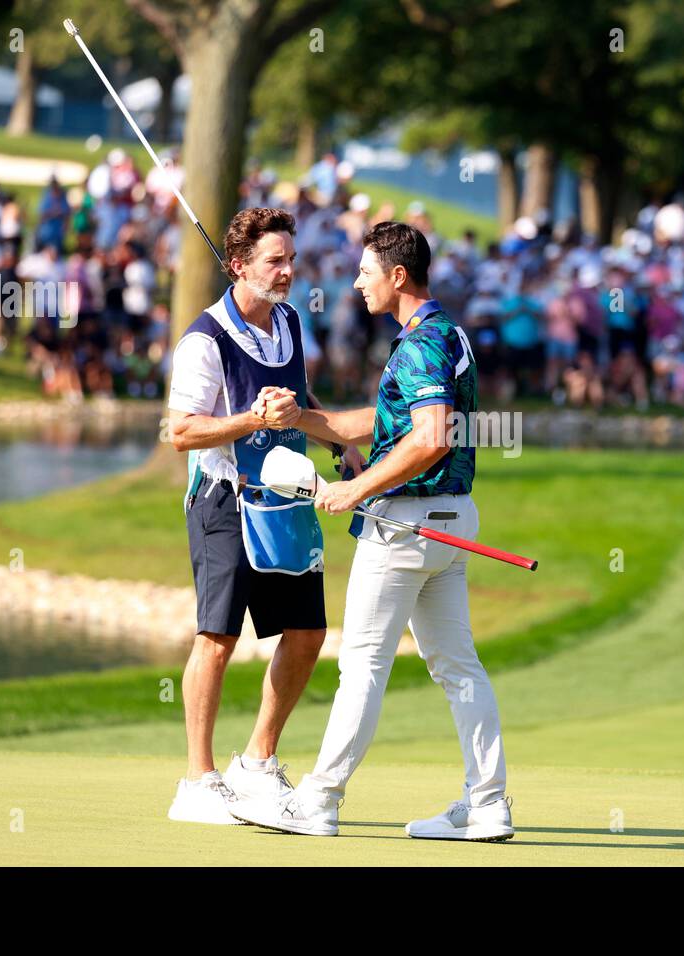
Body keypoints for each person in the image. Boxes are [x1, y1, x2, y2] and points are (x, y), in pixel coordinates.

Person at [243, 221, 514, 841]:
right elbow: (391, 423)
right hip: (448, 524)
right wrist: (311, 420)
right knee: (457, 667)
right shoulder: (444, 333)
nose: (357, 283)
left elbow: (430, 437)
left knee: (362, 665)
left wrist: (354, 489)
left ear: (397, 277)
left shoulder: (418, 344)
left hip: (405, 527)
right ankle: (488, 803)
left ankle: (319, 799)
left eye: (366, 272)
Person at [164, 208, 356, 825]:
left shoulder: (292, 322)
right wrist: (252, 419)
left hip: (286, 497)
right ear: (239, 265)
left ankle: (256, 763)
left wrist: (337, 441)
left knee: (308, 634)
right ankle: (197, 780)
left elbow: (299, 396)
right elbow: (182, 431)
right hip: (223, 499)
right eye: (275, 261)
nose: (288, 272)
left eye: (291, 260)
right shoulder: (204, 339)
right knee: (217, 640)